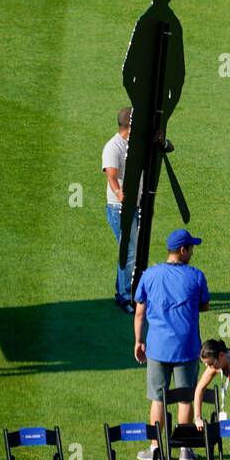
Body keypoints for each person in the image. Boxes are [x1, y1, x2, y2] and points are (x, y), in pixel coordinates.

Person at [133, 229, 209, 460]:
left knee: (158, 398)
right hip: (187, 347)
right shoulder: (196, 275)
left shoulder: (150, 275)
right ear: (183, 250)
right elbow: (204, 306)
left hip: (157, 347)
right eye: (191, 249)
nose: (192, 253)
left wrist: (138, 341)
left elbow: (139, 312)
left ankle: (155, 448)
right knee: (186, 398)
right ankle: (185, 449)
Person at [102, 106, 140, 311]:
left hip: (137, 206)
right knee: (130, 251)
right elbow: (111, 175)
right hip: (120, 209)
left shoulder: (135, 143)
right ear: (130, 125)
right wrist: (119, 193)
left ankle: (124, 292)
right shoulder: (113, 146)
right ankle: (125, 296)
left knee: (133, 250)